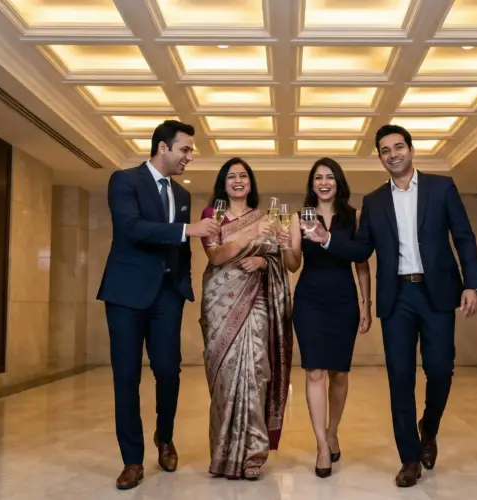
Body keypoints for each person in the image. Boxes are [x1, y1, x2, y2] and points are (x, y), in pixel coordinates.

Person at [304, 124, 477, 488]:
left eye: (399, 147)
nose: (393, 154)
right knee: (400, 378)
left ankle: (428, 427)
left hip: (437, 294)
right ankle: (409, 458)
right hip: (396, 297)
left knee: (441, 370)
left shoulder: (441, 187)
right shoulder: (374, 201)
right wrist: (325, 241)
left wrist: (472, 284)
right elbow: (361, 251)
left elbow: (463, 236)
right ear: (381, 157)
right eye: (385, 150)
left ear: (411, 150)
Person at [97, 120, 220, 490]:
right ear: (163, 148)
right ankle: (132, 460)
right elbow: (131, 228)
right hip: (125, 295)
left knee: (169, 371)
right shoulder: (124, 180)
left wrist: (183, 282)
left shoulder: (181, 196)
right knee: (126, 377)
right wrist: (188, 231)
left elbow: (179, 248)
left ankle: (163, 437)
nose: (189, 157)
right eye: (185, 149)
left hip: (167, 295)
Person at [198, 158, 293, 480]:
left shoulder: (270, 217)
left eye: (243, 176)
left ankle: (252, 453)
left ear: (251, 183)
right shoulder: (211, 215)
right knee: (224, 377)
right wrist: (249, 236)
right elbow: (215, 256)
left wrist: (264, 262)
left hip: (257, 302)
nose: (237, 180)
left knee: (256, 371)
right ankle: (222, 455)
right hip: (220, 300)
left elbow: (283, 261)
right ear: (223, 183)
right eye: (231, 176)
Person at [277, 158, 371, 478]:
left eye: (329, 176)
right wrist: (284, 247)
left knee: (339, 374)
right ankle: (321, 444)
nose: (323, 182)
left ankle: (333, 431)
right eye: (318, 177)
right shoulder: (299, 216)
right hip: (310, 300)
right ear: (312, 184)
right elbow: (293, 264)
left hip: (344, 299)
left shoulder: (353, 216)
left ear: (338, 182)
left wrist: (366, 303)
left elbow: (361, 261)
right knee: (314, 371)